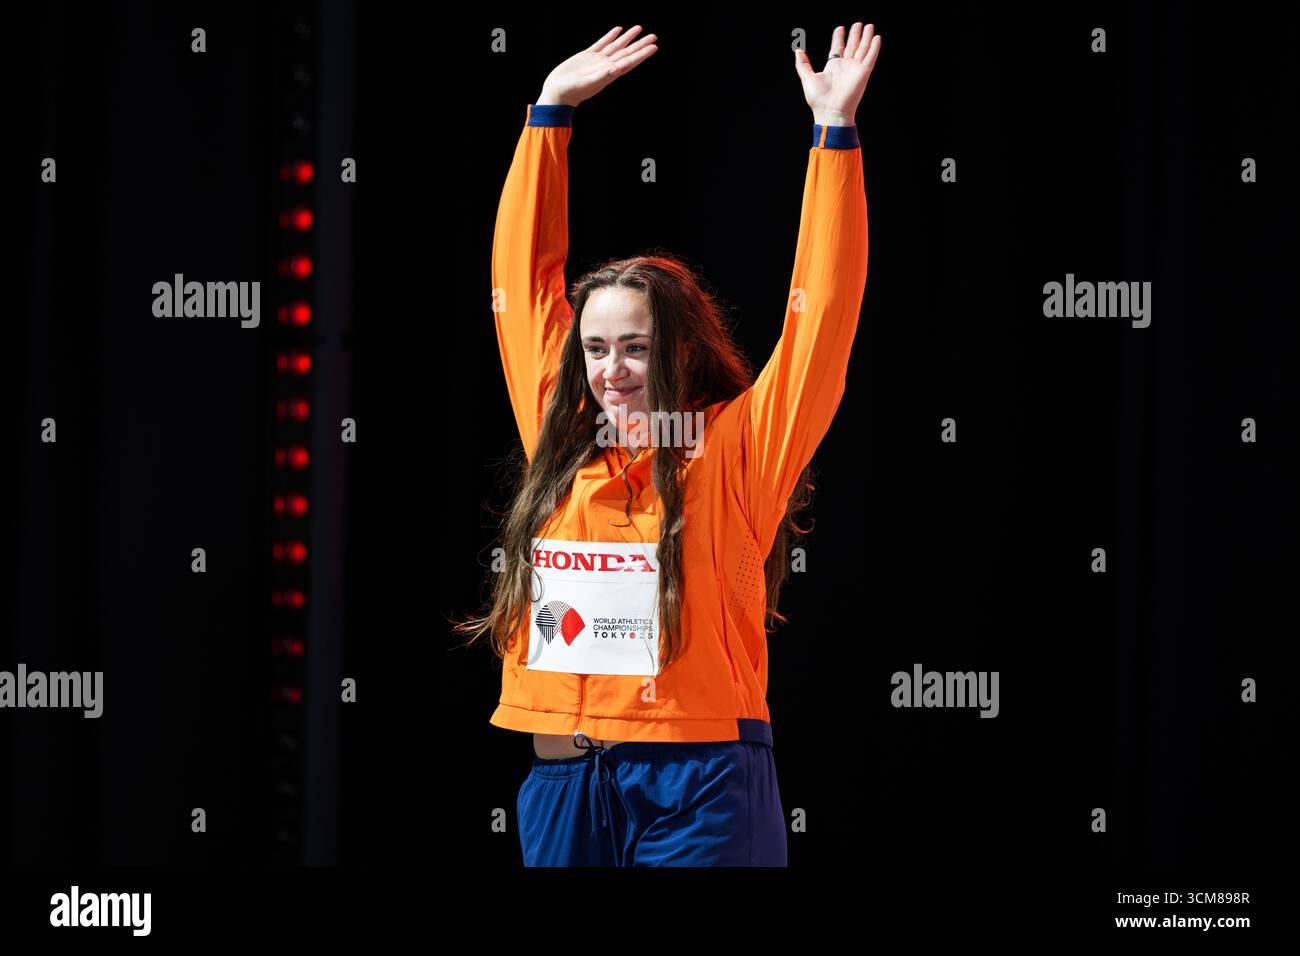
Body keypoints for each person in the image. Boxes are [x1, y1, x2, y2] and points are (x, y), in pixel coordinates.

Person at [455, 22, 881, 866]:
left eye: (639, 347)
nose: (613, 369)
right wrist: (548, 114)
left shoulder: (732, 449)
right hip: (563, 787)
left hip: (700, 785)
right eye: (598, 347)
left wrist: (833, 136)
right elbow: (519, 283)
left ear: (681, 352)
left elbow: (821, 322)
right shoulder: (559, 435)